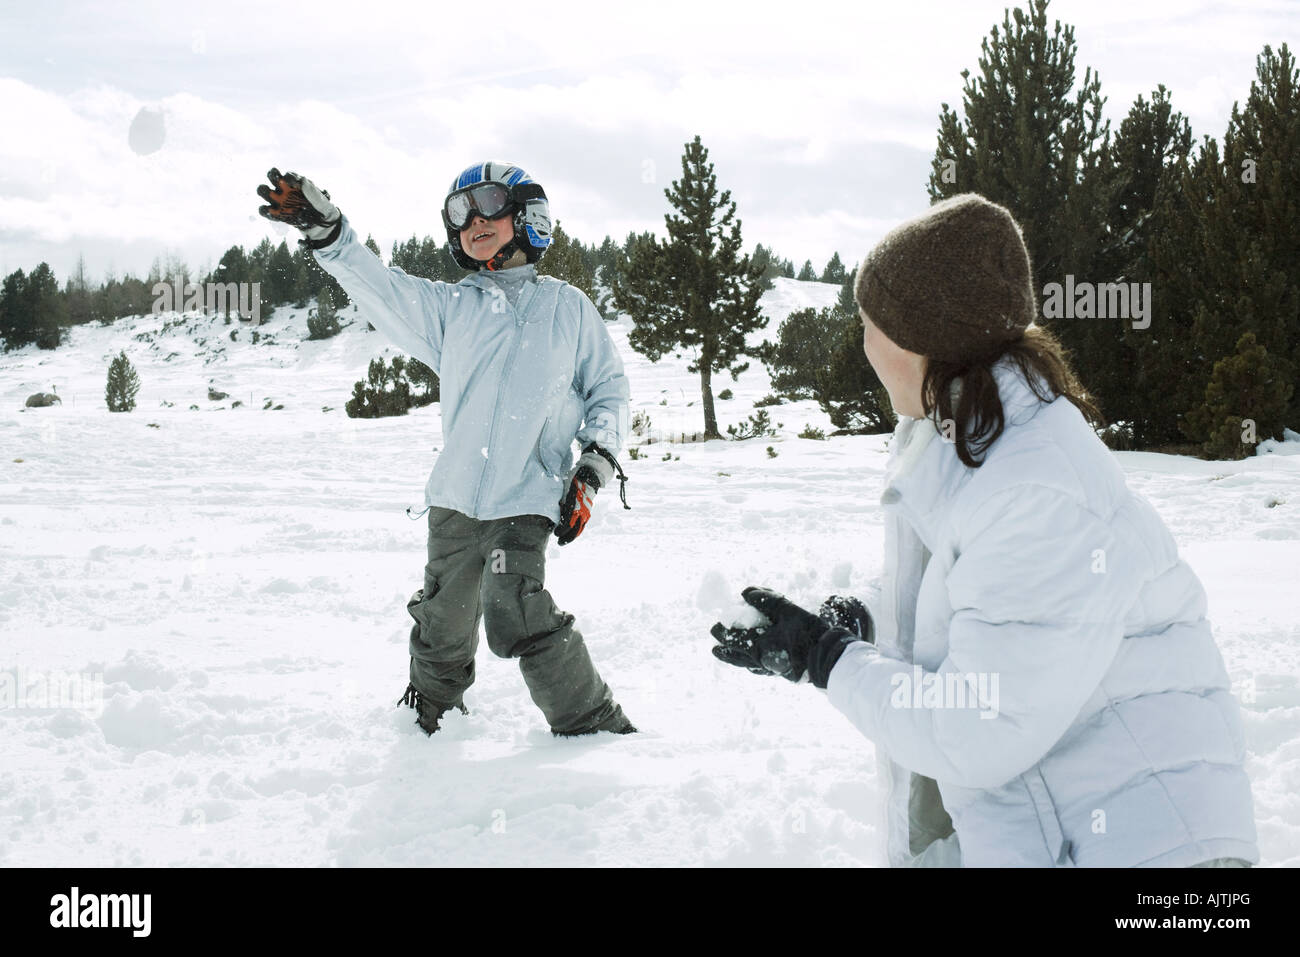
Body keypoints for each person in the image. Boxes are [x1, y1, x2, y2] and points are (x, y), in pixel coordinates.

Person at [711, 193, 1259, 867]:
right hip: (1059, 826)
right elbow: (973, 591)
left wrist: (830, 659)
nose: (862, 343)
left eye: (869, 324)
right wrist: (863, 618)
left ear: (921, 342)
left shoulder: (1034, 490)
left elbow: (977, 726)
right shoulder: (971, 435)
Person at [257, 162, 636, 738]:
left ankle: (593, 726)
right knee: (443, 619)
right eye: (459, 213)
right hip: (455, 501)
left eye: (486, 203)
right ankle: (427, 722)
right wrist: (329, 234)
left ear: (528, 214)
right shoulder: (451, 309)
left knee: (516, 607)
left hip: (525, 498)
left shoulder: (568, 308)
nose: (473, 220)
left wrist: (594, 464)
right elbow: (379, 287)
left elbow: (609, 389)